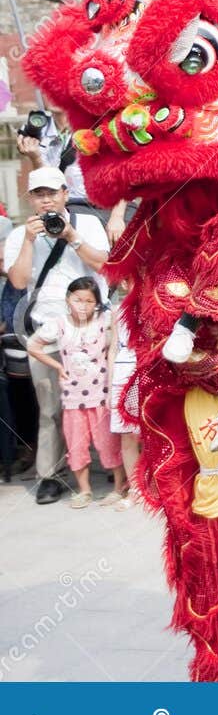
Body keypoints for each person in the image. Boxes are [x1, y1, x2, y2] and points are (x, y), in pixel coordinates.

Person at [4, 167, 110, 504]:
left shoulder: (89, 223)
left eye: (52, 192)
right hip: (49, 330)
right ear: (31, 199)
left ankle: (112, 462)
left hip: (92, 327)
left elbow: (106, 266)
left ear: (65, 193)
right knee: (51, 407)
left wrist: (70, 237)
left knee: (103, 401)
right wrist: (31, 241)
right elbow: (19, 283)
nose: (46, 199)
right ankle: (51, 475)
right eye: (39, 194)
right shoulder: (22, 234)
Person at [27, 276, 122, 509]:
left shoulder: (105, 320)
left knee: (108, 443)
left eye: (89, 301)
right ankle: (84, 490)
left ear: (97, 304)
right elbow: (33, 345)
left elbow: (122, 313)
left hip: (100, 395)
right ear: (67, 299)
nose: (83, 305)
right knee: (75, 445)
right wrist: (57, 366)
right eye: (77, 299)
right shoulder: (59, 324)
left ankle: (120, 487)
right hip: (72, 398)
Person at [107, 286, 140, 510]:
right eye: (124, 280)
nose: (128, 285)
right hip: (121, 373)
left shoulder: (153, 305)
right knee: (127, 436)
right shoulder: (117, 310)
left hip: (145, 371)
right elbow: (112, 349)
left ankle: (153, 486)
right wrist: (110, 386)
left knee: (149, 435)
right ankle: (135, 489)